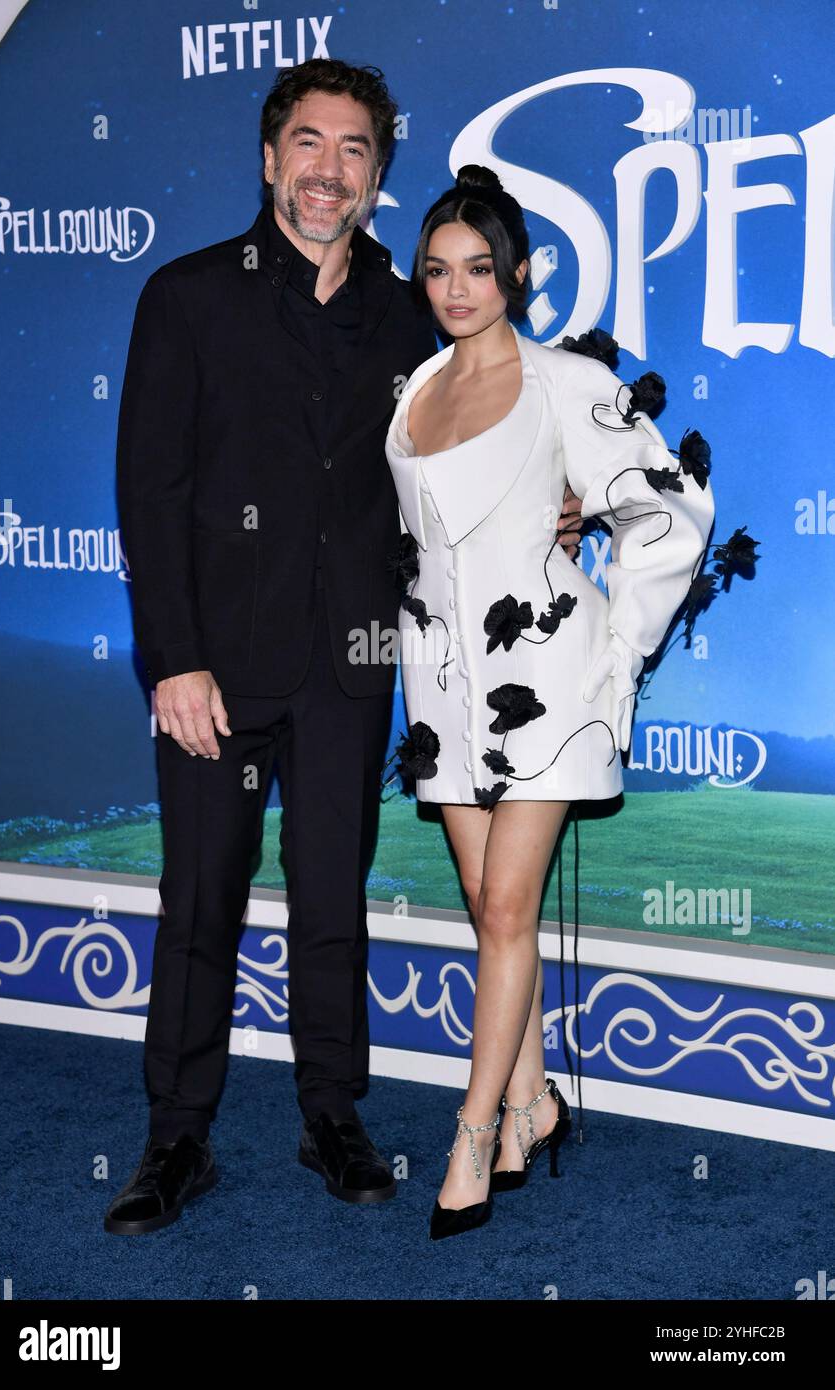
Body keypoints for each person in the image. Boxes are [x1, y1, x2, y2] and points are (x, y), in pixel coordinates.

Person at [108, 60, 586, 1234]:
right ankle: (176, 1138)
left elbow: (481, 430)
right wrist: (171, 657)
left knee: (331, 900)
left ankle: (334, 1114)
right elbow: (149, 490)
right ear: (270, 159)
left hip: (352, 663)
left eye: (356, 149)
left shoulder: (406, 310)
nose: (329, 170)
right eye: (309, 145)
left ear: (378, 173)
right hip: (212, 670)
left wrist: (555, 503)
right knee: (200, 901)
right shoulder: (187, 298)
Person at [384, 164, 716, 1240]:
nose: (455, 288)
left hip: (550, 683)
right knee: (488, 913)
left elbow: (669, 514)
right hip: (440, 686)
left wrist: (616, 660)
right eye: (436, 270)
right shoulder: (413, 393)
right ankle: (533, 1100)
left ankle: (471, 1133)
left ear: (516, 272)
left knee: (510, 910)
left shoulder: (565, 381)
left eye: (477, 268)